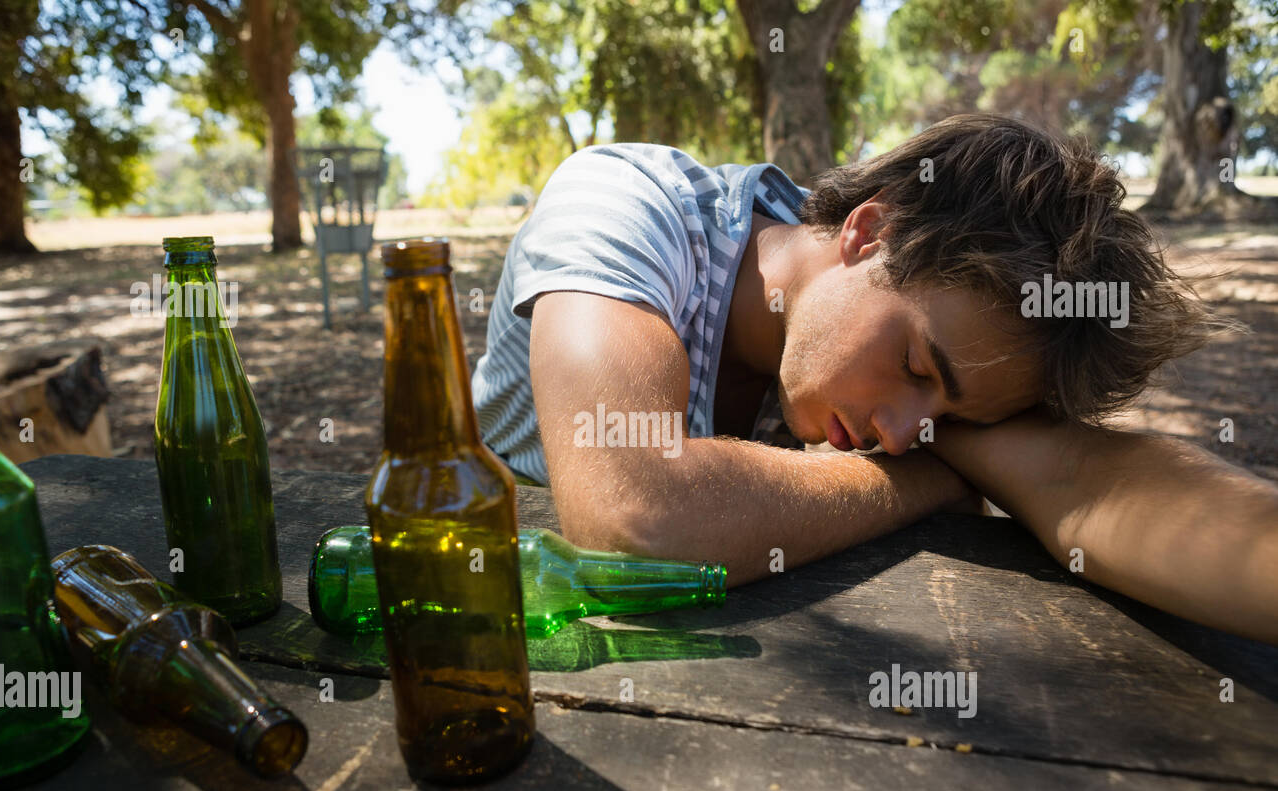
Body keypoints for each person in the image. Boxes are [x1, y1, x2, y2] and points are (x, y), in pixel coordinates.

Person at [471, 113, 1278, 642]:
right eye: (916, 368)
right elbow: (637, 520)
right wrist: (928, 477)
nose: (901, 433)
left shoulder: (927, 364)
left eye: (949, 416)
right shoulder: (623, 205)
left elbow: (1091, 484)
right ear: (871, 230)